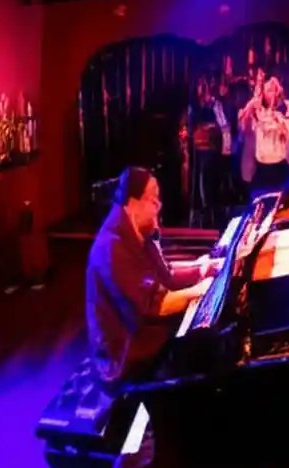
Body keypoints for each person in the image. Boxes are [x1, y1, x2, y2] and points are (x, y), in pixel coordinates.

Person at [86, 167, 220, 391]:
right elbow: (155, 306)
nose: (159, 205)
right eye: (153, 199)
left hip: (147, 338)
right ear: (132, 203)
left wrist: (202, 270)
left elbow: (165, 275)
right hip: (128, 359)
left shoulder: (138, 231)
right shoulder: (112, 248)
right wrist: (205, 290)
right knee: (207, 355)